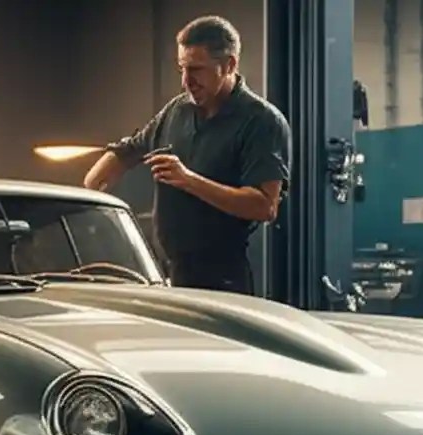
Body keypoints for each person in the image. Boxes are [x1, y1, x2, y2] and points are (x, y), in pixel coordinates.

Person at [83, 15, 291, 293]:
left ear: (229, 65)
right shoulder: (176, 110)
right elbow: (130, 149)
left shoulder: (262, 122)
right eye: (182, 68)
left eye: (196, 70)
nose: (186, 81)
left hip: (223, 281)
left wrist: (189, 180)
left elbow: (265, 205)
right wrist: (91, 190)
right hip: (166, 273)